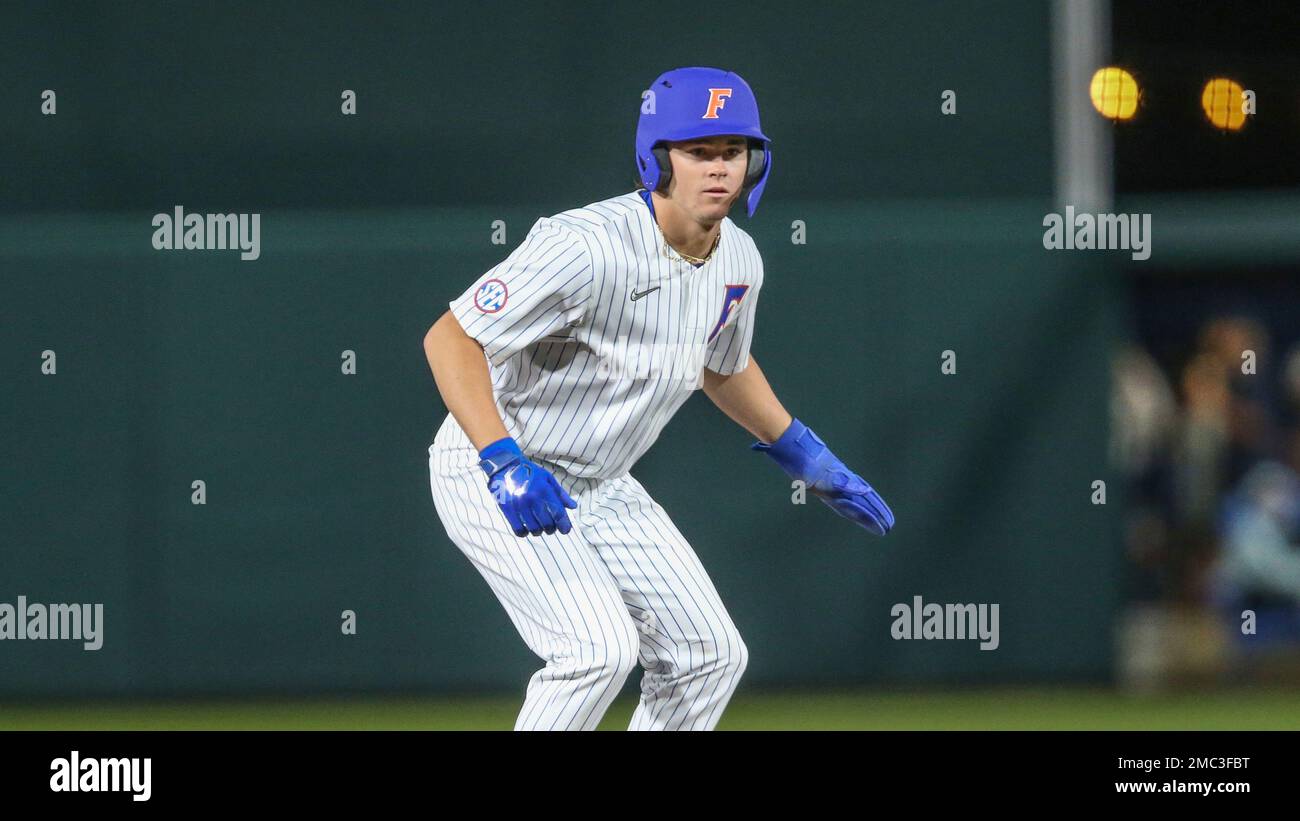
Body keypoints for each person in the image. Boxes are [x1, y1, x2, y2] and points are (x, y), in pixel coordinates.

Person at [423, 67, 894, 731]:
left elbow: (720, 363)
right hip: (494, 463)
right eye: (698, 152)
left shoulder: (739, 261)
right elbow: (450, 339)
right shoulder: (583, 245)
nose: (718, 168)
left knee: (710, 655)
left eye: (732, 151)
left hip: (603, 483)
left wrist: (802, 452)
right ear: (657, 158)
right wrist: (500, 458)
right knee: (595, 650)